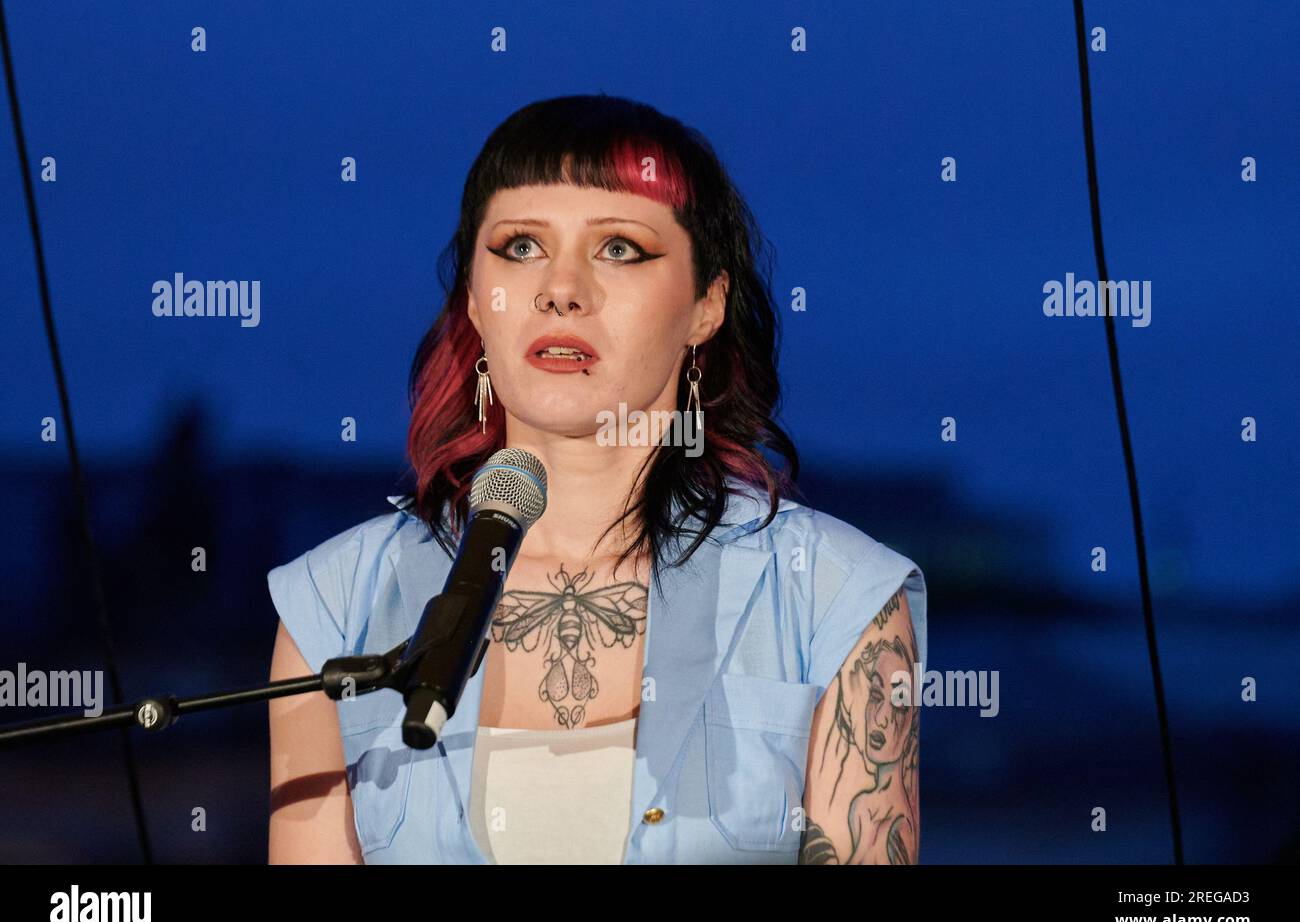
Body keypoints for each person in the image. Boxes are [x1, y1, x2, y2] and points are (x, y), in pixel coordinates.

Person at [266, 94, 927, 864]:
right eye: (519, 246)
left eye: (619, 247)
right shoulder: (334, 606)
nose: (561, 288)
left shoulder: (835, 599)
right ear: (476, 300)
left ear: (706, 304)